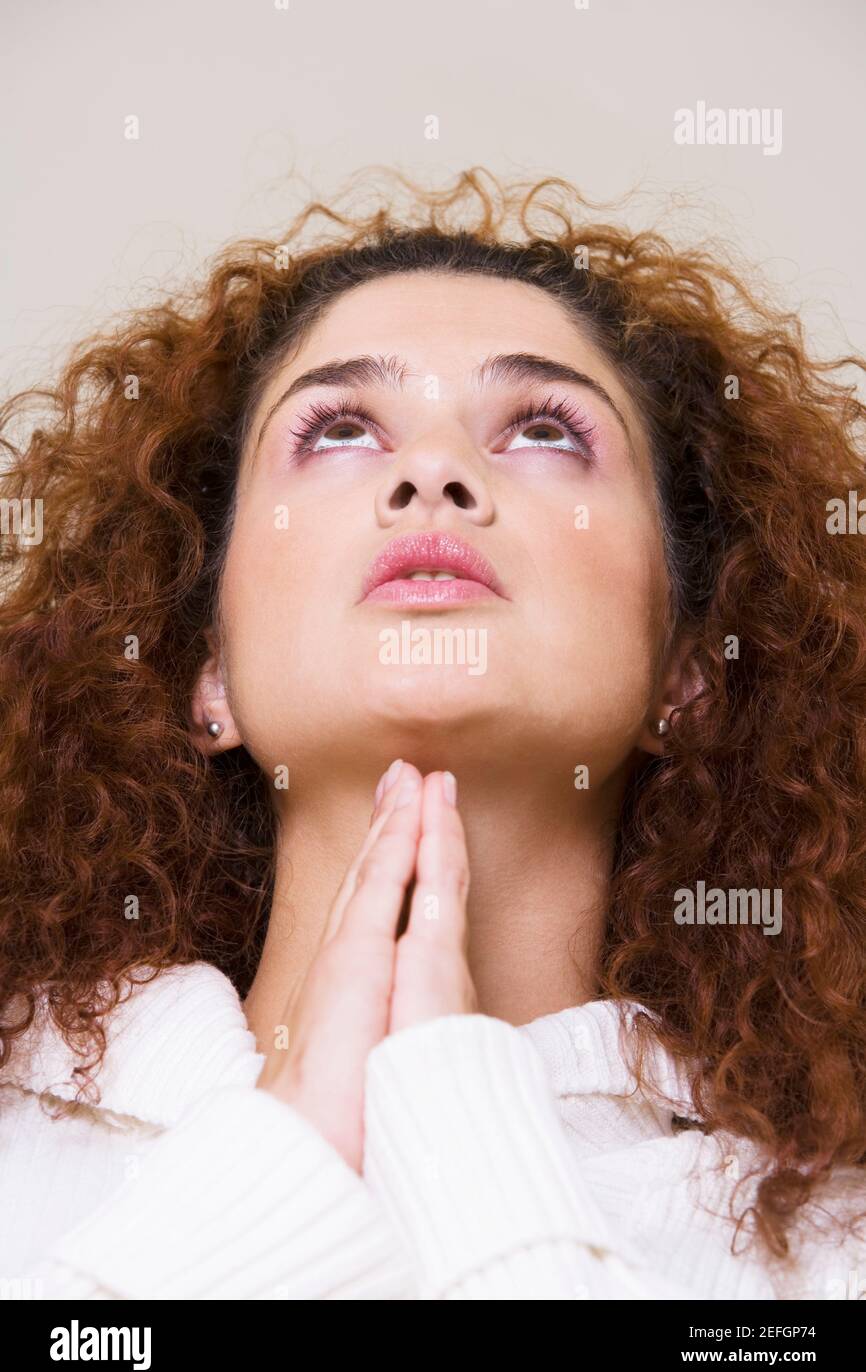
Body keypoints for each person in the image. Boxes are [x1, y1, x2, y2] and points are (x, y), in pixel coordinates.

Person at [1, 168, 864, 1301]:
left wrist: (464, 1121)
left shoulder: (821, 1228)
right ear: (205, 673)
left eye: (546, 431)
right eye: (340, 429)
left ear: (684, 674)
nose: (433, 472)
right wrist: (283, 1170)